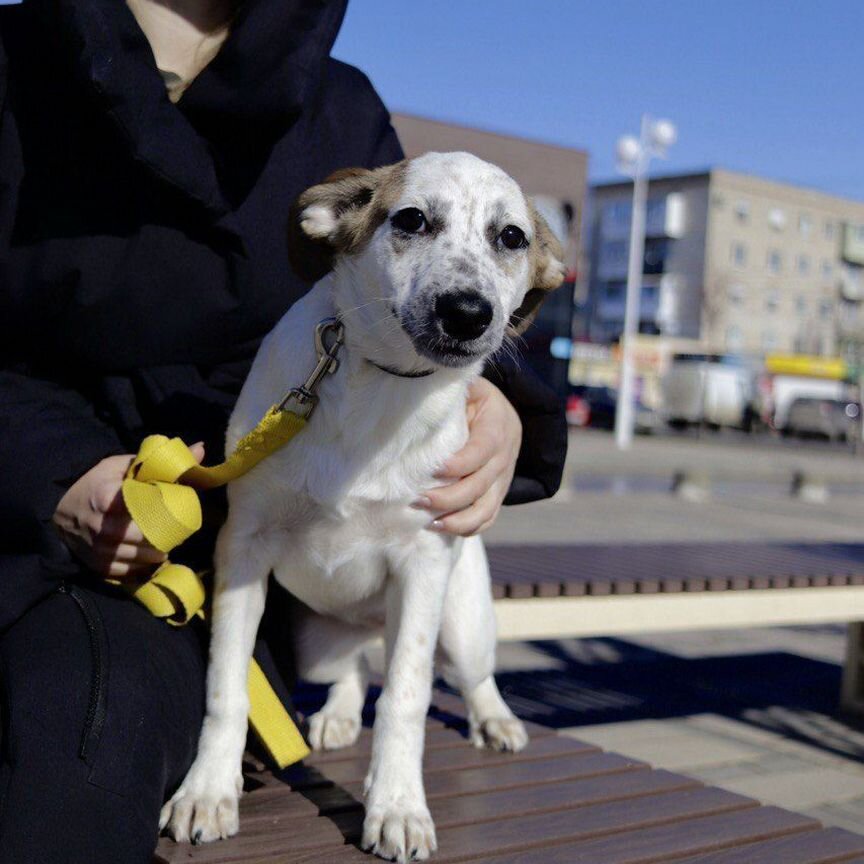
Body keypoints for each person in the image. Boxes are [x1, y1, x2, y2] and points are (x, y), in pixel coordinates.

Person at [0, 1, 567, 861]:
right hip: (41, 524)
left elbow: (449, 314)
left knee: (86, 752)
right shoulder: (16, 64)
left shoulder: (336, 102)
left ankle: (467, 692)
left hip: (240, 566)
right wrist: (53, 465)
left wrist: (511, 419)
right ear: (331, 222)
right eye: (412, 223)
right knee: (70, 753)